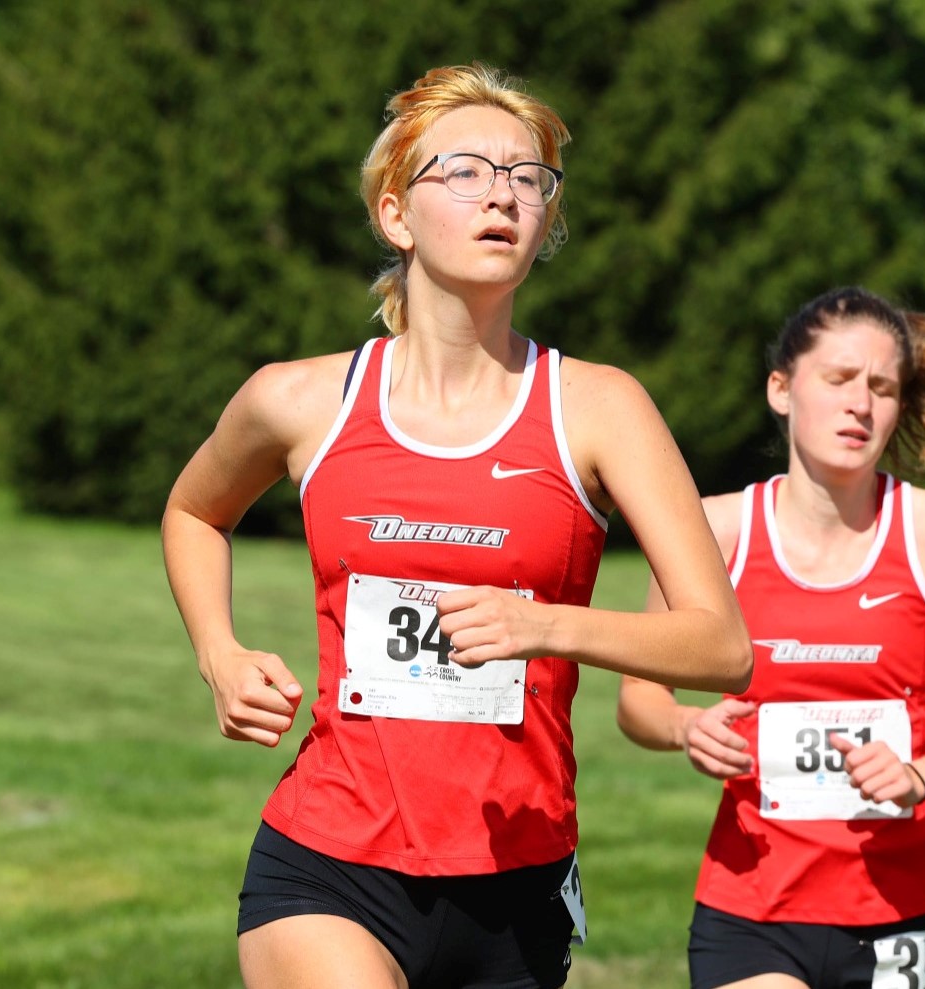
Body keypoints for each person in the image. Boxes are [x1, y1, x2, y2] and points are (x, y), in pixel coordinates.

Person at [161, 62, 753, 989]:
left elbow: (720, 647)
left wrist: (544, 624)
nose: (503, 196)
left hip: (515, 879)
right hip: (328, 855)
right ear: (396, 214)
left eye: (527, 178)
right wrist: (219, 653)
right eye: (466, 171)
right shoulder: (299, 399)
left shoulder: (599, 408)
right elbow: (196, 510)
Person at [617, 286, 925, 989]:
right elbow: (638, 697)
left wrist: (919, 776)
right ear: (781, 389)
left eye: (882, 388)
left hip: (892, 910)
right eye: (839, 379)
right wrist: (683, 725)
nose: (860, 404)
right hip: (748, 903)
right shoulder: (711, 530)